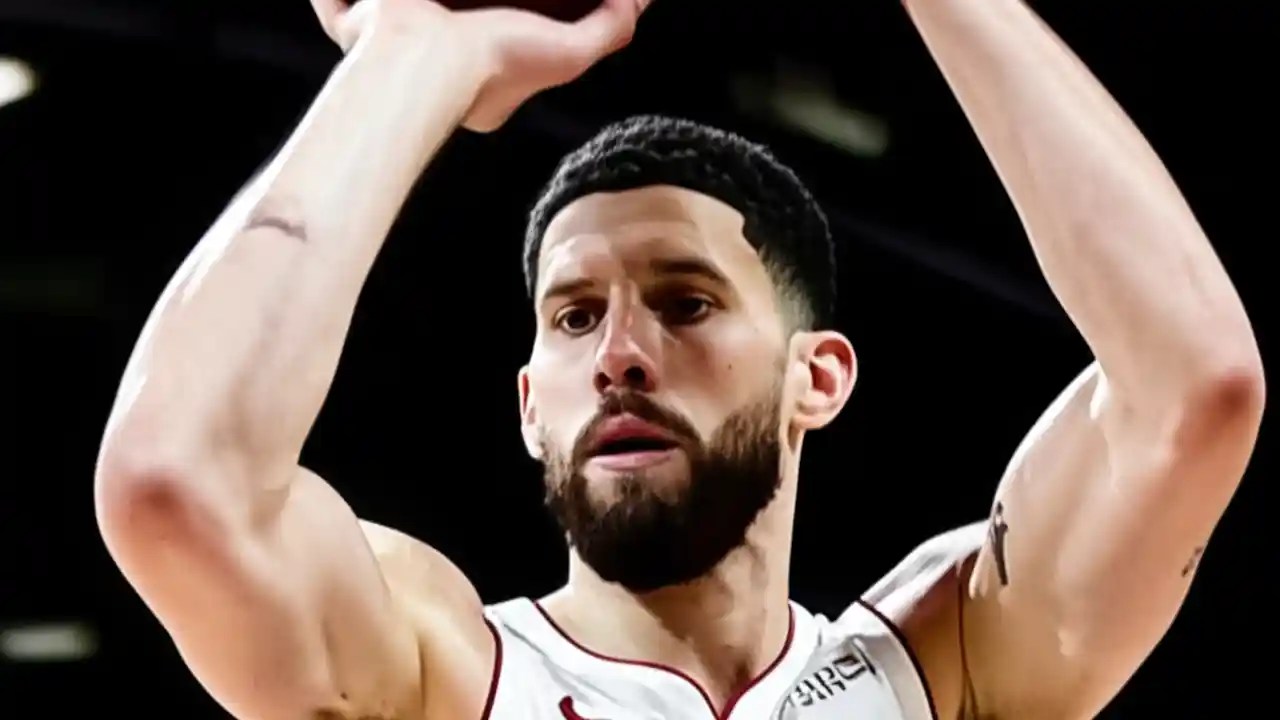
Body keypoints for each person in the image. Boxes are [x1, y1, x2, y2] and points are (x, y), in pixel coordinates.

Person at [92, 0, 1265, 718]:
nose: (619, 355)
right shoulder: (435, 674)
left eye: (685, 302)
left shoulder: (939, 668)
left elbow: (1191, 384)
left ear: (819, 377)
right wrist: (410, 52)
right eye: (571, 317)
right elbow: (175, 482)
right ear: (526, 407)